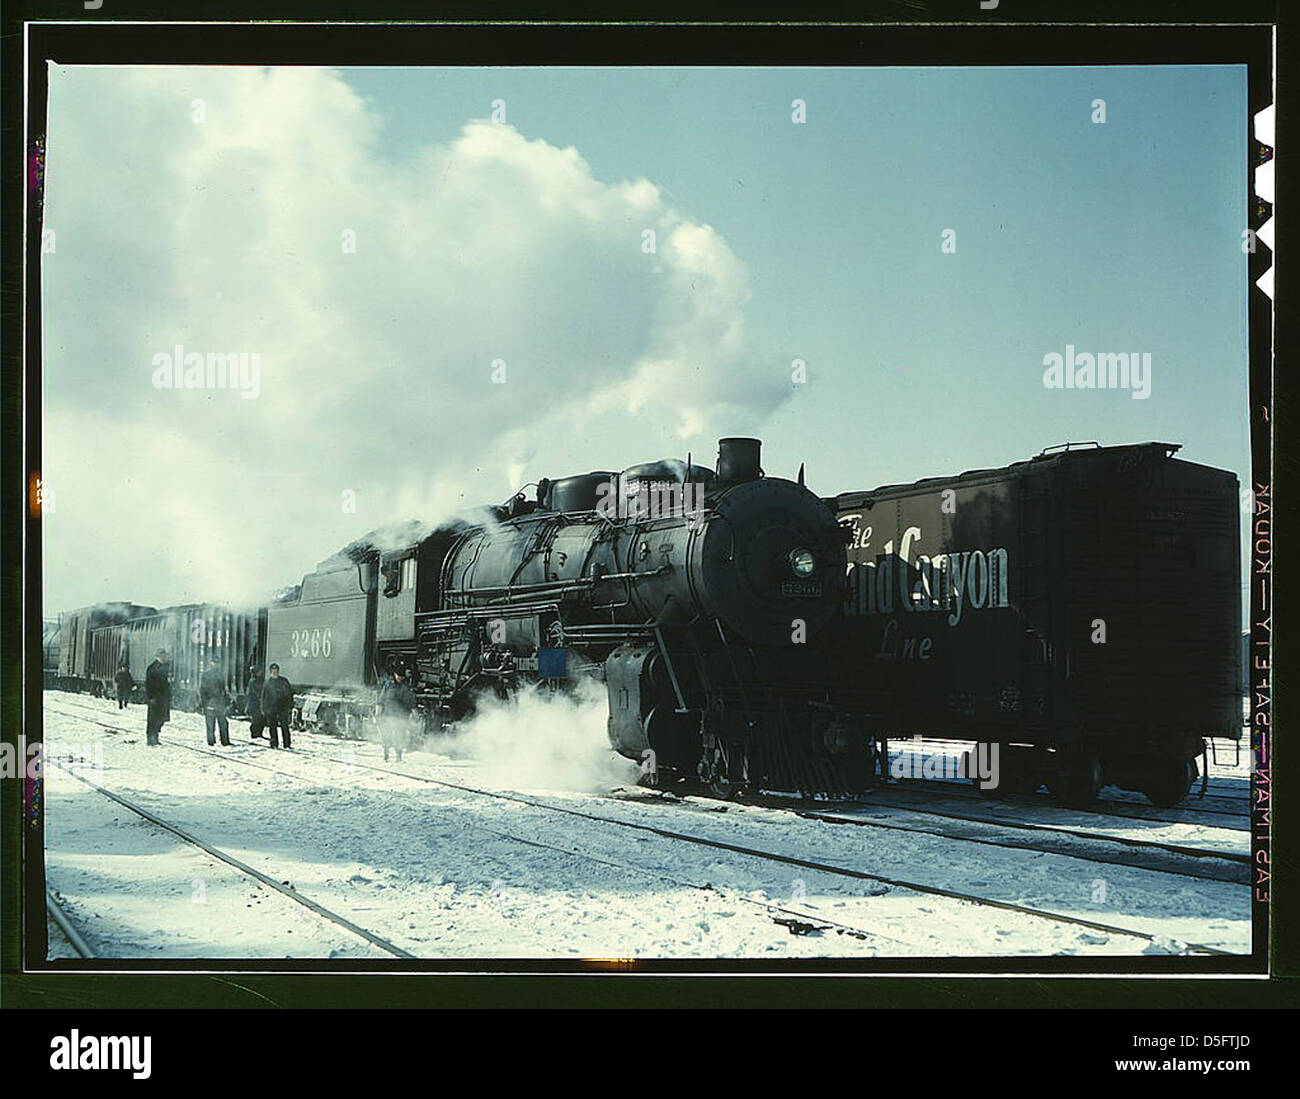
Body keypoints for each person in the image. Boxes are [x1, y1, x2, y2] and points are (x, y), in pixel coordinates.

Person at [376, 666, 416, 762]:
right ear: (395, 675)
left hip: (401, 716)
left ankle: (399, 756)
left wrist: (414, 710)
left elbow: (410, 700)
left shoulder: (406, 687)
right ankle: (386, 754)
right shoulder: (388, 685)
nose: (400, 678)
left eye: (402, 677)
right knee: (387, 735)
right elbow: (381, 699)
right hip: (388, 714)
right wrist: (378, 710)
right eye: (398, 676)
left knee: (400, 736)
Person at [199, 658, 232, 747]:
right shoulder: (206, 674)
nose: (216, 664)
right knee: (210, 723)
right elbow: (202, 689)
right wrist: (204, 703)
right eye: (214, 663)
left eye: (217, 663)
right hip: (210, 701)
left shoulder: (220, 674)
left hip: (220, 702)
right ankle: (211, 741)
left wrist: (226, 700)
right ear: (211, 663)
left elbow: (224, 688)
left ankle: (225, 741)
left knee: (223, 722)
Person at [261, 663, 294, 749]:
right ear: (271, 672)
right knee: (272, 727)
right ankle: (274, 743)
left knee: (284, 726)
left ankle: (287, 744)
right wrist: (264, 708)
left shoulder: (283, 681)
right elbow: (264, 697)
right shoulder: (268, 683)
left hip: (282, 707)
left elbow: (289, 694)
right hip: (272, 708)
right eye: (273, 671)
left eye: (276, 671)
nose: (275, 672)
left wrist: (290, 705)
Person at [144, 649, 171, 747]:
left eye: (164, 656)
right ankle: (151, 738)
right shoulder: (152, 668)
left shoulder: (166, 667)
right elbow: (148, 684)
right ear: (157, 657)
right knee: (153, 719)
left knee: (161, 718)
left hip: (163, 698)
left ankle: (156, 736)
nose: (163, 657)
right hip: (155, 698)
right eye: (161, 656)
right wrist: (151, 697)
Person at [246, 668, 266, 740]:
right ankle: (255, 733)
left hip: (258, 703)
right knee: (256, 719)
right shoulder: (253, 681)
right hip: (255, 703)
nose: (260, 672)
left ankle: (259, 733)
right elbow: (256, 692)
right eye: (259, 671)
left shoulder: (259, 680)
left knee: (260, 719)